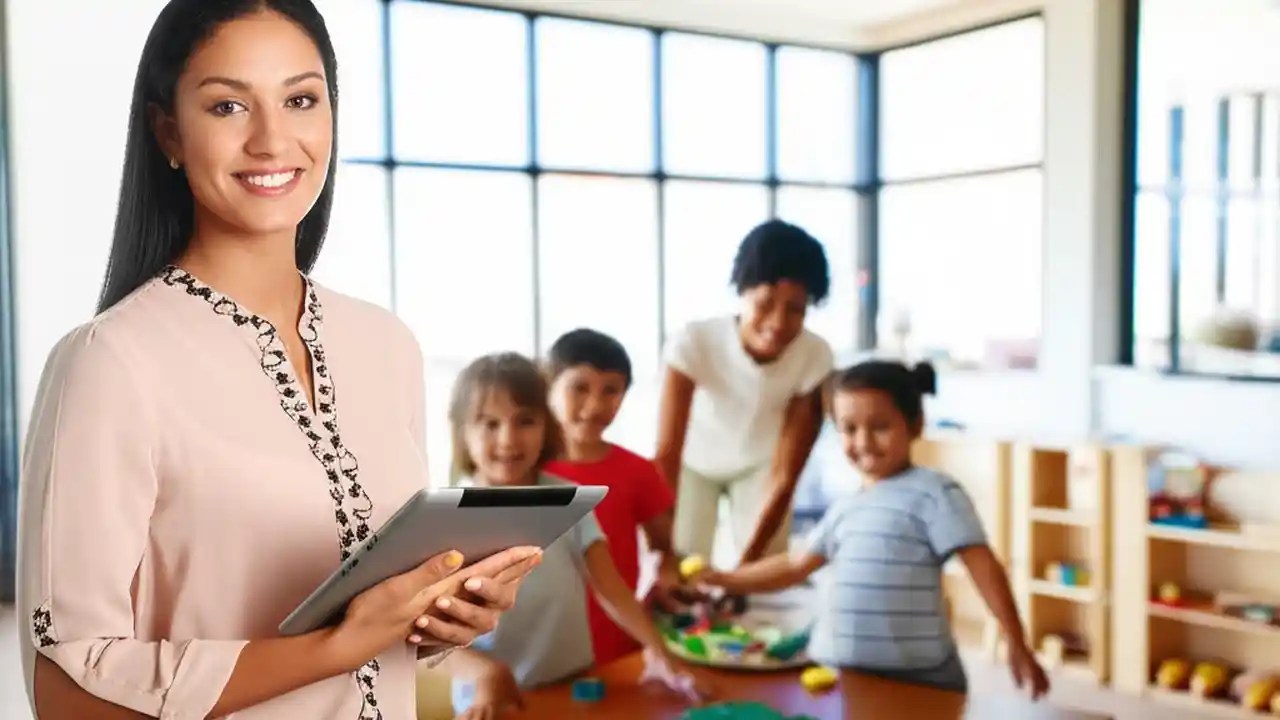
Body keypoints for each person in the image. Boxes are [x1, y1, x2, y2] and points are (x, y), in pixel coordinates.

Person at [16, 2, 537, 718]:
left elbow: (389, 638)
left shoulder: (386, 345)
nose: (271, 139)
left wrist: (446, 613)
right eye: (228, 106)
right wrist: (334, 646)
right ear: (167, 130)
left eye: (300, 100)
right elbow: (63, 697)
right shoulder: (109, 363)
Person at [692, 361, 1050, 697]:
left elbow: (982, 565)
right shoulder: (846, 508)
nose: (862, 441)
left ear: (915, 425)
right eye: (849, 429)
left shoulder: (936, 492)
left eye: (879, 427)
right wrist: (725, 578)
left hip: (919, 680)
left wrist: (1015, 639)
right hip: (844, 673)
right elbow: (795, 565)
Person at [440, 353, 707, 719]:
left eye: (525, 421)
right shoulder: (446, 516)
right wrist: (483, 671)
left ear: (547, 427)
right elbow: (424, 636)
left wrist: (661, 653)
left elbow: (611, 589)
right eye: (489, 424)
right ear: (462, 432)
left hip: (574, 684)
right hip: (489, 700)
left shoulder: (568, 498)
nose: (508, 439)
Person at [655, 219, 835, 566]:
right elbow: (666, 454)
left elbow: (786, 475)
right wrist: (661, 549)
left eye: (795, 309)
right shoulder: (694, 342)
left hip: (761, 467)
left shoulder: (815, 356)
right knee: (683, 562)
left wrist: (746, 570)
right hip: (694, 465)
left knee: (765, 567)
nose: (778, 322)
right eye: (766, 303)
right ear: (743, 292)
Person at [543, 328, 685, 665]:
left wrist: (667, 579)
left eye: (611, 391)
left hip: (618, 647)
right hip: (541, 657)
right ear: (549, 385)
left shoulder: (639, 472)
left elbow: (665, 549)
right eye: (579, 387)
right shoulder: (523, 475)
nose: (594, 406)